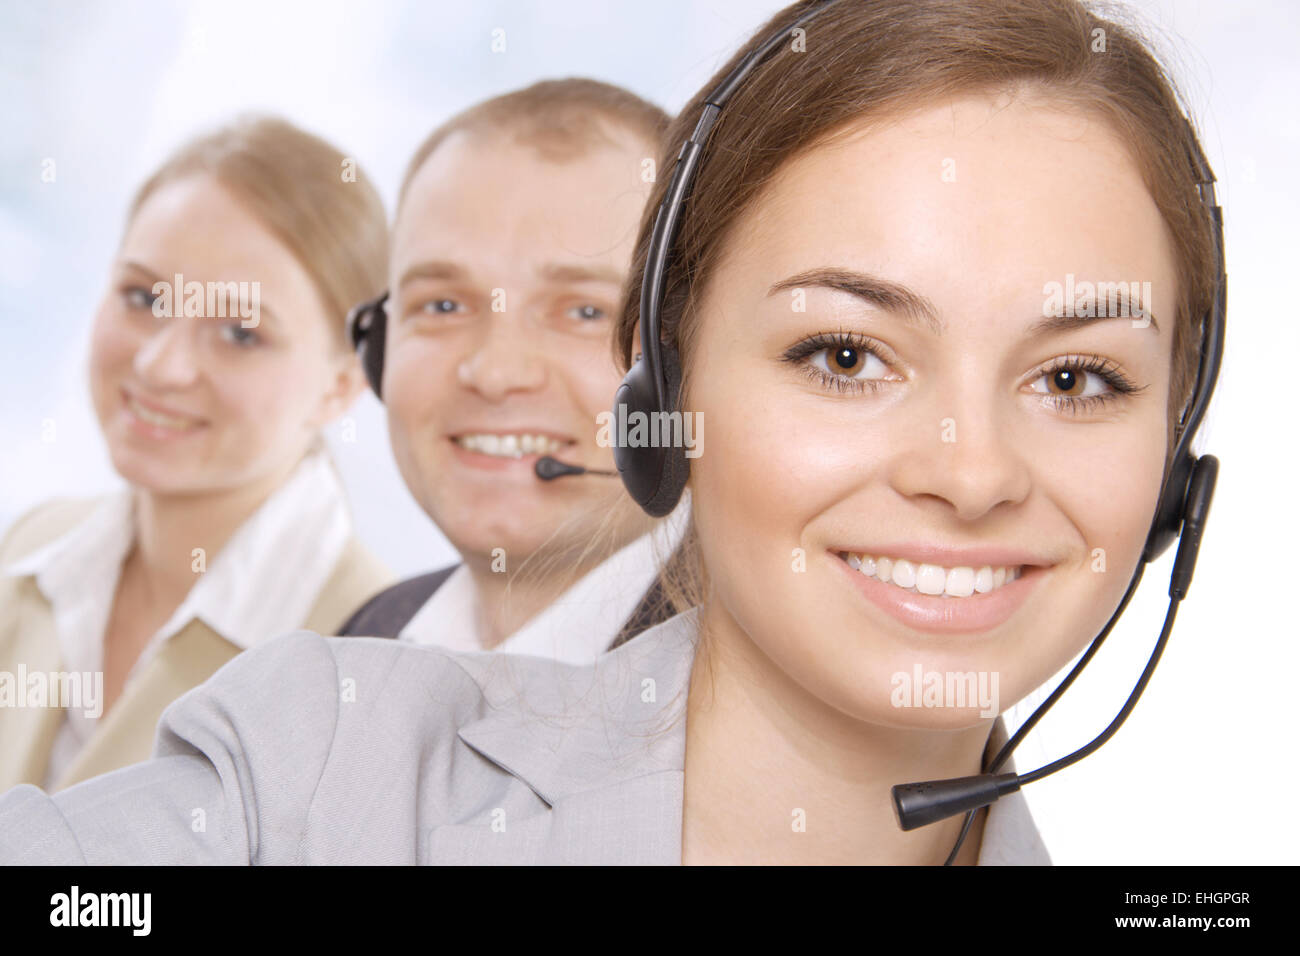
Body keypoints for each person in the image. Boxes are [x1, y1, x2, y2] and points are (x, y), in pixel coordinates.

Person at [0, 0, 1222, 864]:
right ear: (666, 396)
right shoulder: (322, 771)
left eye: (1073, 377)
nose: (969, 470)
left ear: (1174, 470)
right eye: (844, 355)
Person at [0, 116, 393, 793]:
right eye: (144, 297)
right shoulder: (39, 544)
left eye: (241, 333)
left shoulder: (375, 659)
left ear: (341, 385)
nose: (160, 365)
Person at [339, 79, 684, 661]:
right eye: (443, 305)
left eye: (583, 311)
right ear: (377, 350)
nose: (495, 373)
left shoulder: (775, 695)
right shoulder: (365, 638)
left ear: (692, 363)